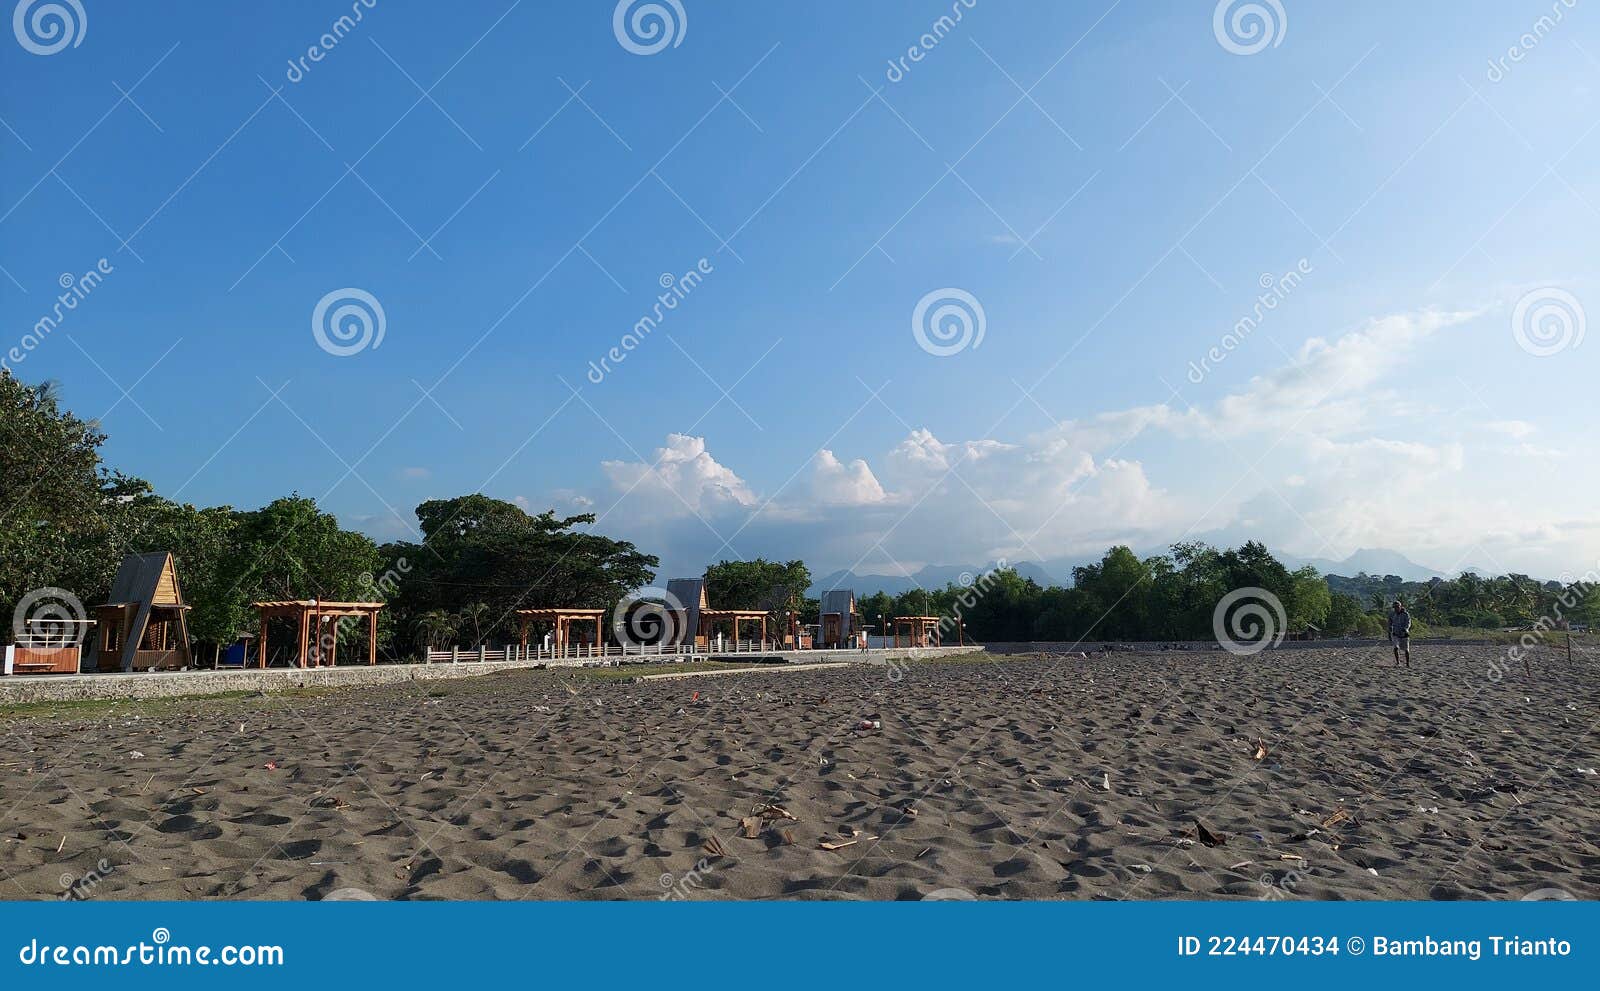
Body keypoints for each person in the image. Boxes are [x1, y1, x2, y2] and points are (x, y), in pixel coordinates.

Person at [1389, 601, 1412, 668]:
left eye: (1397, 607)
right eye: (1394, 607)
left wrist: (1406, 628)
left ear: (1400, 606)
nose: (1396, 608)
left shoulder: (1406, 614)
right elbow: (1390, 623)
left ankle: (1407, 664)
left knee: (1406, 650)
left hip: (1404, 634)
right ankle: (1398, 662)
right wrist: (1389, 630)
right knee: (1396, 648)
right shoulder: (1392, 614)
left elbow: (1408, 623)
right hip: (1395, 634)